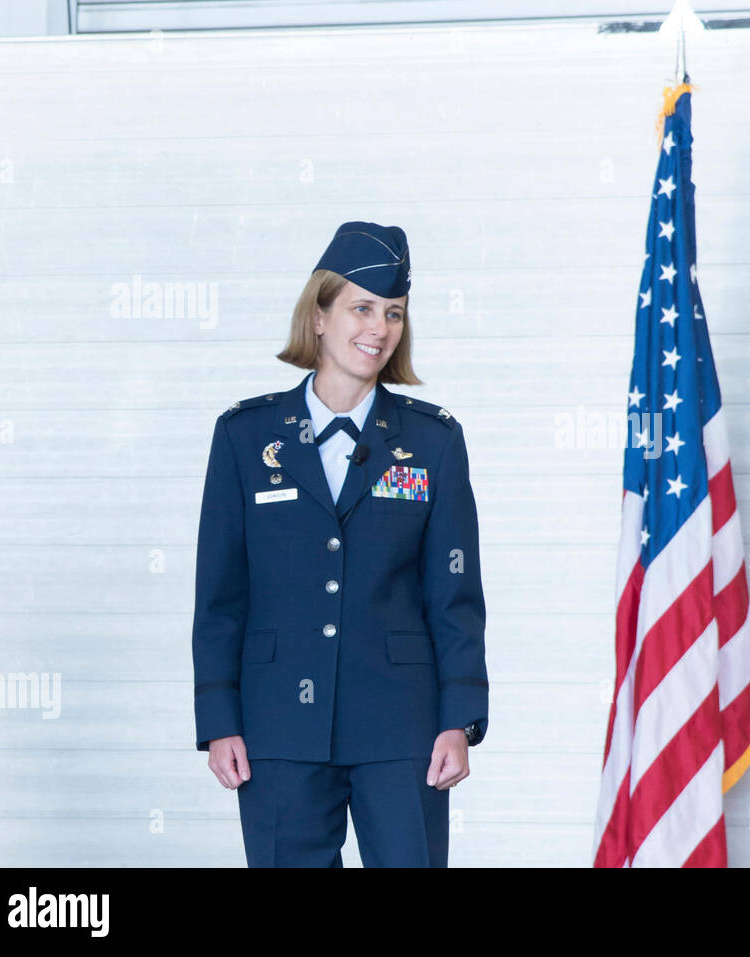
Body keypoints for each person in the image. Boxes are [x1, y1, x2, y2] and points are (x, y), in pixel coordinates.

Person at [190, 221, 487, 867]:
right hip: (276, 725)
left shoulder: (432, 441)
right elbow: (220, 594)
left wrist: (458, 719)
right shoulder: (246, 437)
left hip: (402, 725)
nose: (378, 327)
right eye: (361, 307)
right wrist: (219, 717)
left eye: (394, 312)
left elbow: (454, 595)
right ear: (319, 315)